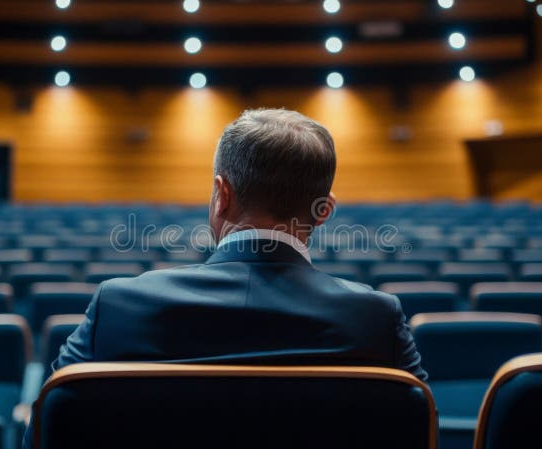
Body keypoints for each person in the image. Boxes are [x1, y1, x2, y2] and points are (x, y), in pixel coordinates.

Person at [23, 108, 425, 448]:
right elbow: (423, 431)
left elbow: (42, 430)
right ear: (324, 210)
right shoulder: (377, 319)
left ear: (221, 195)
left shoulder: (118, 305)